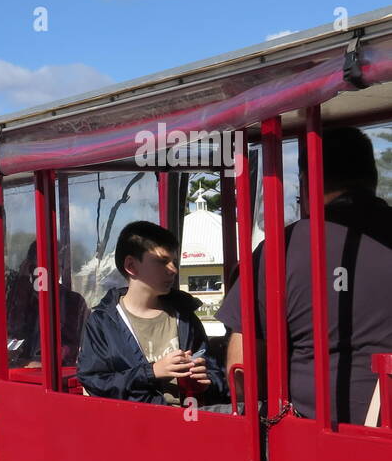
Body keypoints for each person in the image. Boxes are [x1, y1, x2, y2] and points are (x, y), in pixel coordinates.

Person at [219, 126, 392, 424]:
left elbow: (242, 373)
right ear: (372, 179)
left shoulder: (281, 249)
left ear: (306, 182)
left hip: (313, 437)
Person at [77, 220, 226, 405]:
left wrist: (206, 382)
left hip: (189, 423)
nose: (173, 270)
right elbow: (95, 382)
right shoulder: (102, 322)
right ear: (131, 265)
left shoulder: (184, 315)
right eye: (162, 262)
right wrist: (152, 371)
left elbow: (216, 373)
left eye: (174, 262)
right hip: (136, 428)